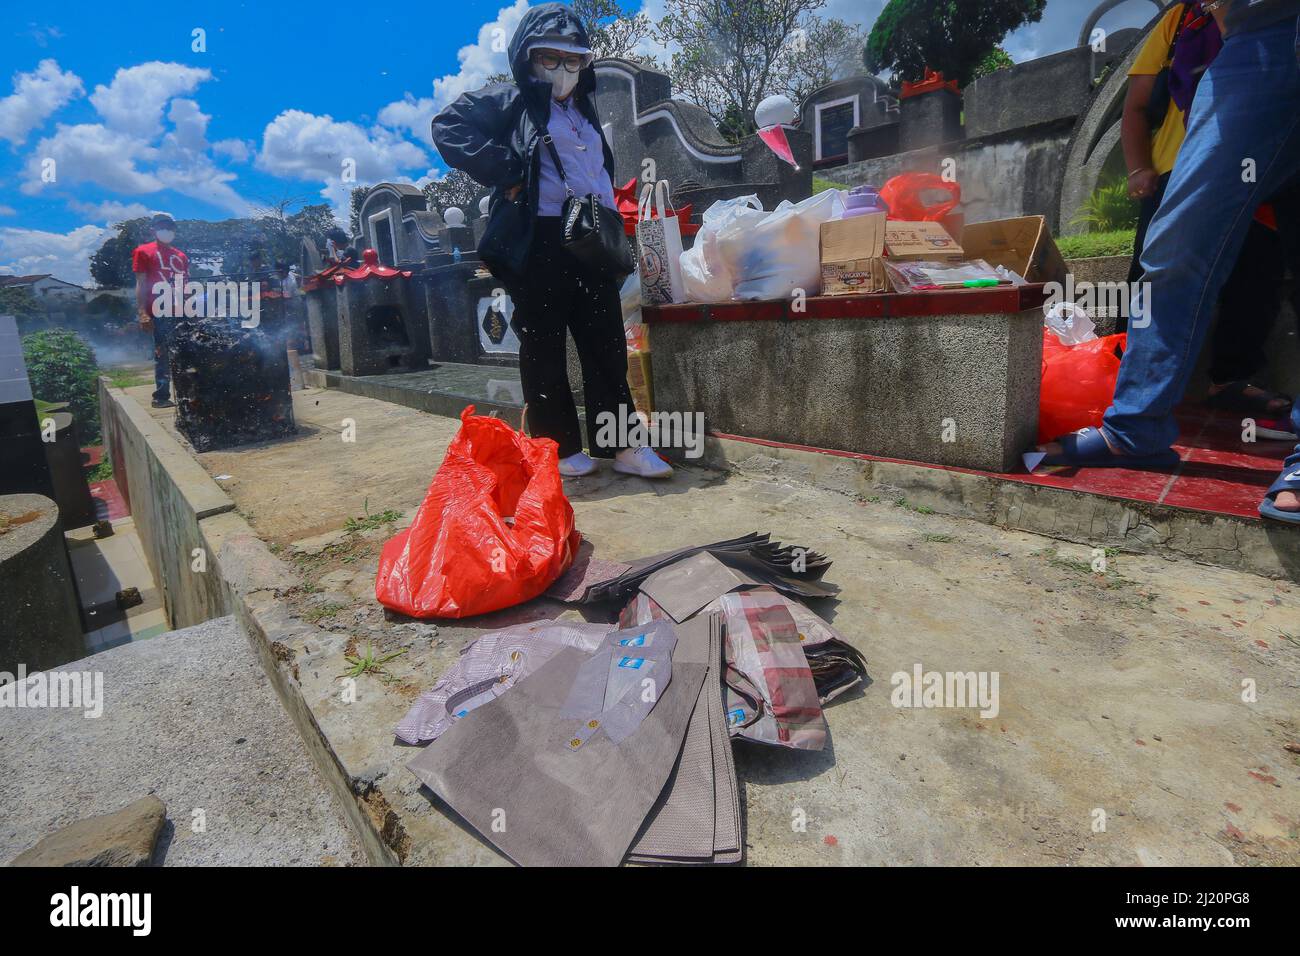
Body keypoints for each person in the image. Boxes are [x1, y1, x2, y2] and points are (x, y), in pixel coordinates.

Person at [1040, 0, 1300, 526]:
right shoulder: (1180, 21)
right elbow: (1137, 102)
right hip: (1259, 36)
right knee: (1175, 244)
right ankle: (1136, 427)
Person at [431, 2, 671, 479]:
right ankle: (557, 451)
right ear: (528, 58)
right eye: (550, 58)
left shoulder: (584, 110)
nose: (563, 70)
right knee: (543, 347)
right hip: (539, 241)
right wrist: (509, 171)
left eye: (573, 60)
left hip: (590, 243)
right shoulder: (513, 101)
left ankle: (622, 446)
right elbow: (448, 127)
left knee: (605, 344)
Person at [1122, 0, 1291, 420]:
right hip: (1177, 168)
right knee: (1159, 267)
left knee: (1257, 273)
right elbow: (1137, 104)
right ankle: (1129, 380)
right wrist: (1139, 167)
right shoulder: (1179, 20)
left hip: (1263, 164)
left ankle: (1231, 379)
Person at [132, 213, 189, 409]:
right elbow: (141, 283)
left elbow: (183, 286)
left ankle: (186, 393)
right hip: (158, 309)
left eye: (170, 227)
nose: (167, 230)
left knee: (184, 350)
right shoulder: (143, 251)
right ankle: (161, 396)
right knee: (162, 353)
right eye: (162, 226)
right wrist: (142, 312)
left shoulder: (181, 256)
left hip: (180, 310)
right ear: (153, 229)